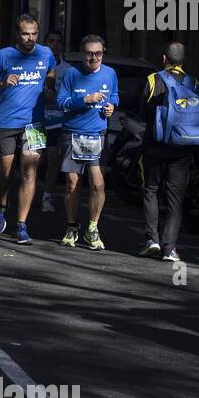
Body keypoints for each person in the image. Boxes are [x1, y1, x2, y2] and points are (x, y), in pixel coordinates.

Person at [0, 14, 55, 246]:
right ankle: (1, 205)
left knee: (30, 173)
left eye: (34, 34)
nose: (30, 38)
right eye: (25, 34)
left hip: (35, 123)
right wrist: (1, 82)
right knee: (5, 172)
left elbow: (51, 71)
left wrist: (48, 85)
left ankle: (21, 225)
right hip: (6, 121)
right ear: (17, 34)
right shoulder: (4, 55)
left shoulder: (45, 53)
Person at [140, 41, 199, 262]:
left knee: (151, 190)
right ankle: (170, 248)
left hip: (155, 147)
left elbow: (143, 111)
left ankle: (152, 239)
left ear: (164, 58)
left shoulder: (153, 79)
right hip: (182, 149)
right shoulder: (192, 81)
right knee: (176, 199)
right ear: (183, 60)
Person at [55, 35, 117, 249]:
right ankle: (72, 226)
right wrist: (85, 100)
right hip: (73, 134)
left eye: (98, 53)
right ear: (83, 54)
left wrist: (112, 107)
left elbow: (114, 96)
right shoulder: (72, 73)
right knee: (72, 184)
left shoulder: (110, 73)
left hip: (97, 135)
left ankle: (92, 228)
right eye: (90, 53)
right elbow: (61, 102)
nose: (94, 58)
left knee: (98, 184)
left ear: (103, 53)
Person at [39, 30, 72, 213]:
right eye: (51, 41)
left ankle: (47, 196)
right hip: (36, 120)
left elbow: (70, 96)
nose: (55, 44)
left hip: (56, 121)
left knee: (53, 158)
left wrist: (55, 96)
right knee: (35, 161)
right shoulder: (36, 64)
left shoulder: (67, 70)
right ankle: (30, 189)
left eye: (58, 41)